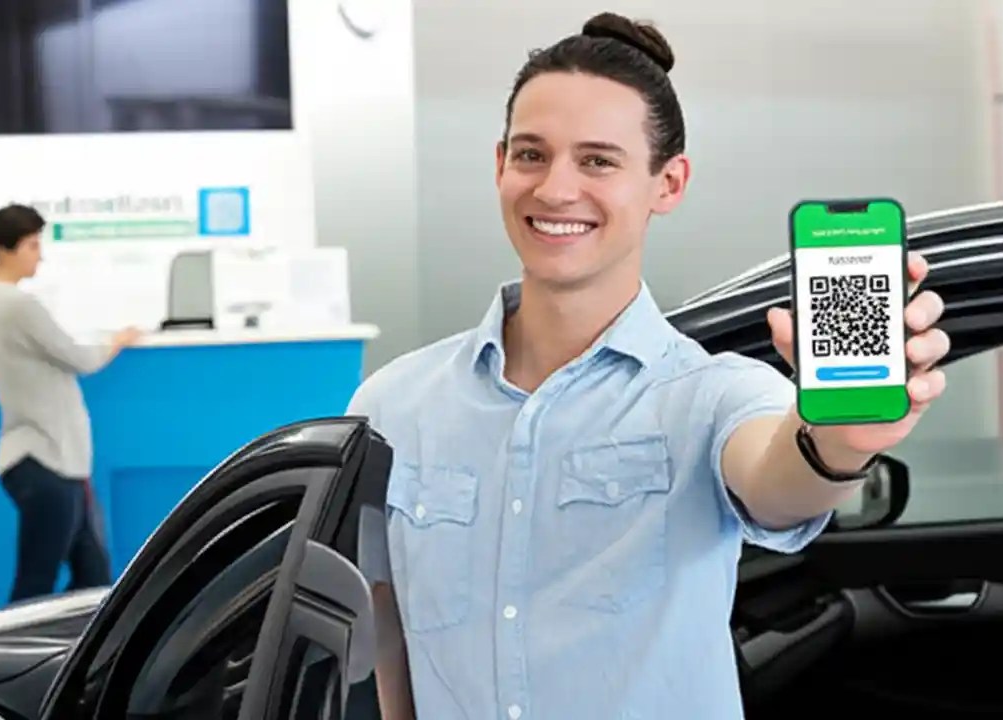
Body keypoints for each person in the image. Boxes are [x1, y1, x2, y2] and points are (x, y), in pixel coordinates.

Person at [347, 12, 950, 719]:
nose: (556, 189)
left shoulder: (711, 396)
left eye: (598, 160)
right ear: (499, 163)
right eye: (532, 154)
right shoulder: (392, 405)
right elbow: (391, 642)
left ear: (669, 183)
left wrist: (840, 442)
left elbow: (777, 479)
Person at [0, 204, 142, 603]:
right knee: (36, 588)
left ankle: (74, 661)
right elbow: (81, 358)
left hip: (52, 461)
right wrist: (117, 340)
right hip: (45, 460)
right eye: (31, 244)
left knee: (92, 577)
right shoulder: (15, 305)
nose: (39, 254)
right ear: (4, 250)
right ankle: (20, 664)